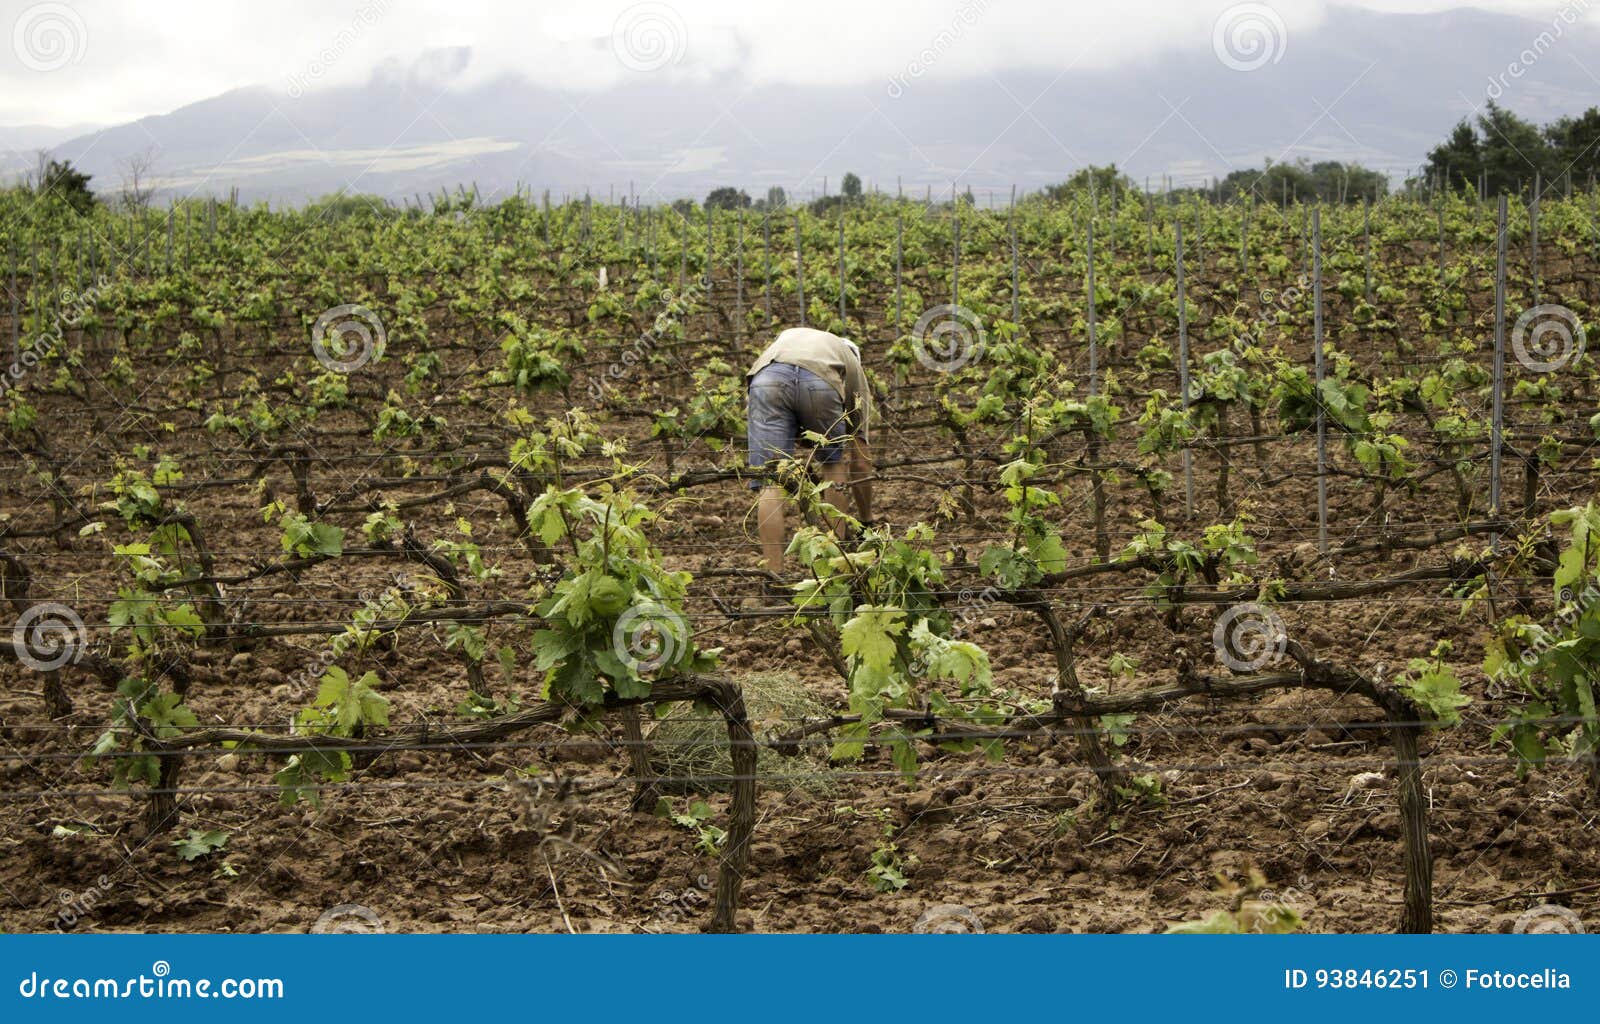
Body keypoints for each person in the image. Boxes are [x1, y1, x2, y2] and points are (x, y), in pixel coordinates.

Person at [745, 327, 874, 573]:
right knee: (832, 465)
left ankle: (774, 576)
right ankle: (835, 566)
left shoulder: (789, 338)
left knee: (771, 481)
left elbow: (781, 387)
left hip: (765, 379)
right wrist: (867, 521)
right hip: (819, 384)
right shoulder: (853, 368)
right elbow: (861, 461)